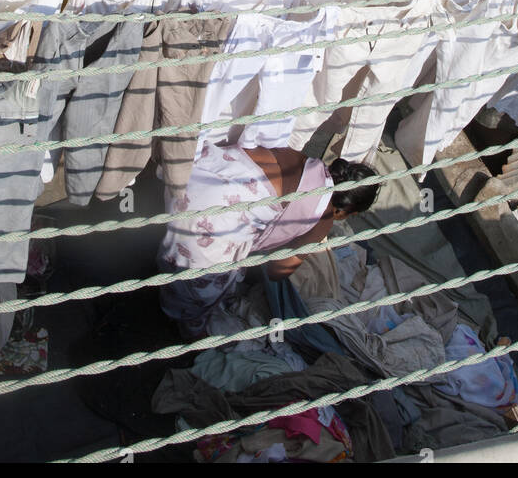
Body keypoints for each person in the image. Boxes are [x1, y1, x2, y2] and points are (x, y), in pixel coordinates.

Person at [158, 142, 380, 336]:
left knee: (181, 237)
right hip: (213, 218)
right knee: (201, 287)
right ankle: (182, 329)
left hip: (201, 169)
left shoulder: (305, 160)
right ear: (347, 209)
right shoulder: (323, 219)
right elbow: (278, 270)